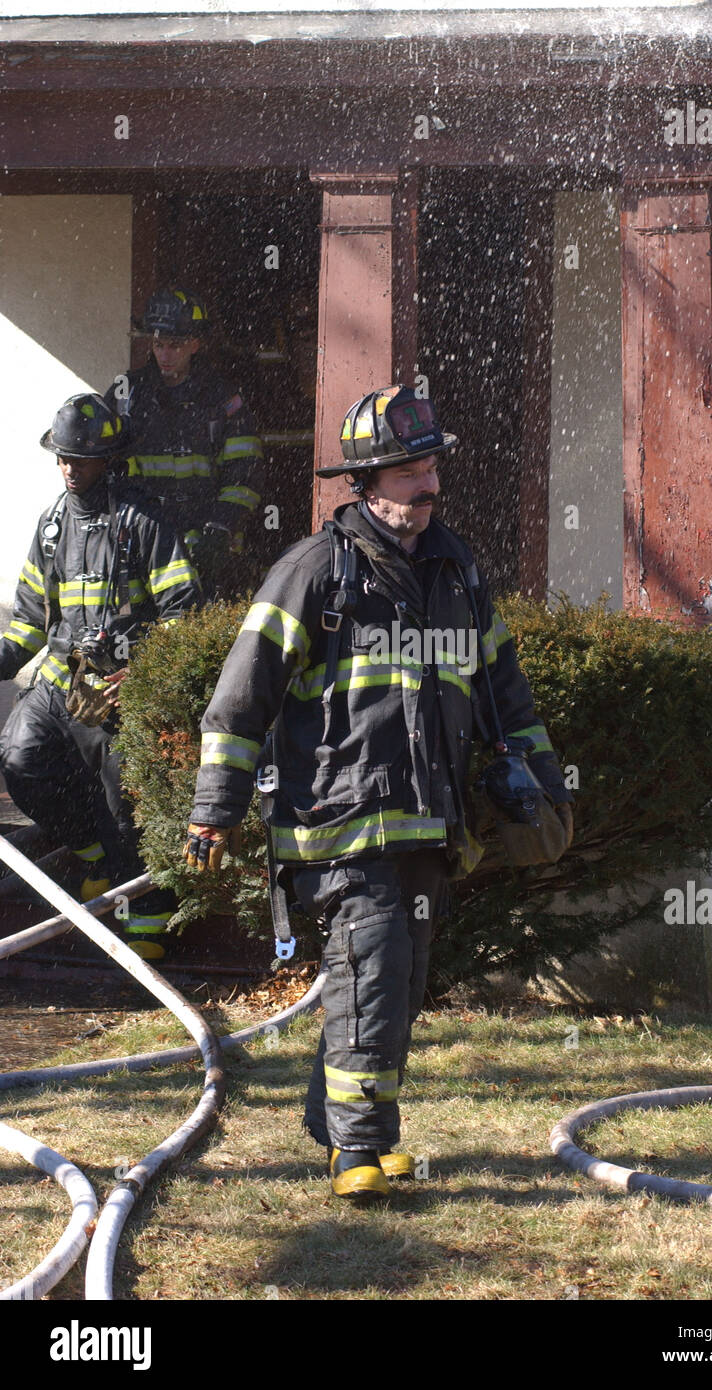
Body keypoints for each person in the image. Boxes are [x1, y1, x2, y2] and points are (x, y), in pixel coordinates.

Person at [183, 386, 573, 1198]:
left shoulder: (456, 569)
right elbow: (239, 700)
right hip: (339, 819)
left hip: (430, 822)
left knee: (396, 979)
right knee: (374, 961)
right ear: (364, 481)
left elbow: (506, 695)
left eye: (430, 465)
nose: (427, 484)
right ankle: (359, 1150)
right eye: (407, 470)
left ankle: (336, 1123)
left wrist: (535, 781)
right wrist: (212, 811)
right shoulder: (313, 571)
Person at [0, 393, 203, 959]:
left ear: (109, 459)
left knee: (127, 803)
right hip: (63, 685)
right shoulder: (50, 528)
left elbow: (184, 611)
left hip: (125, 689)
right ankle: (89, 853)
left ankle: (147, 921)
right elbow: (26, 627)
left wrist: (139, 669)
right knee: (21, 759)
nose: (68, 469)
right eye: (62, 458)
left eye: (80, 460)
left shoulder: (144, 519)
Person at [103, 287, 263, 596]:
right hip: (139, 542)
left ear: (195, 344)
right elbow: (105, 467)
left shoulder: (222, 398)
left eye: (175, 346)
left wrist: (219, 526)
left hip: (205, 545)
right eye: (159, 344)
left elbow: (245, 473)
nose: (164, 355)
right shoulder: (127, 394)